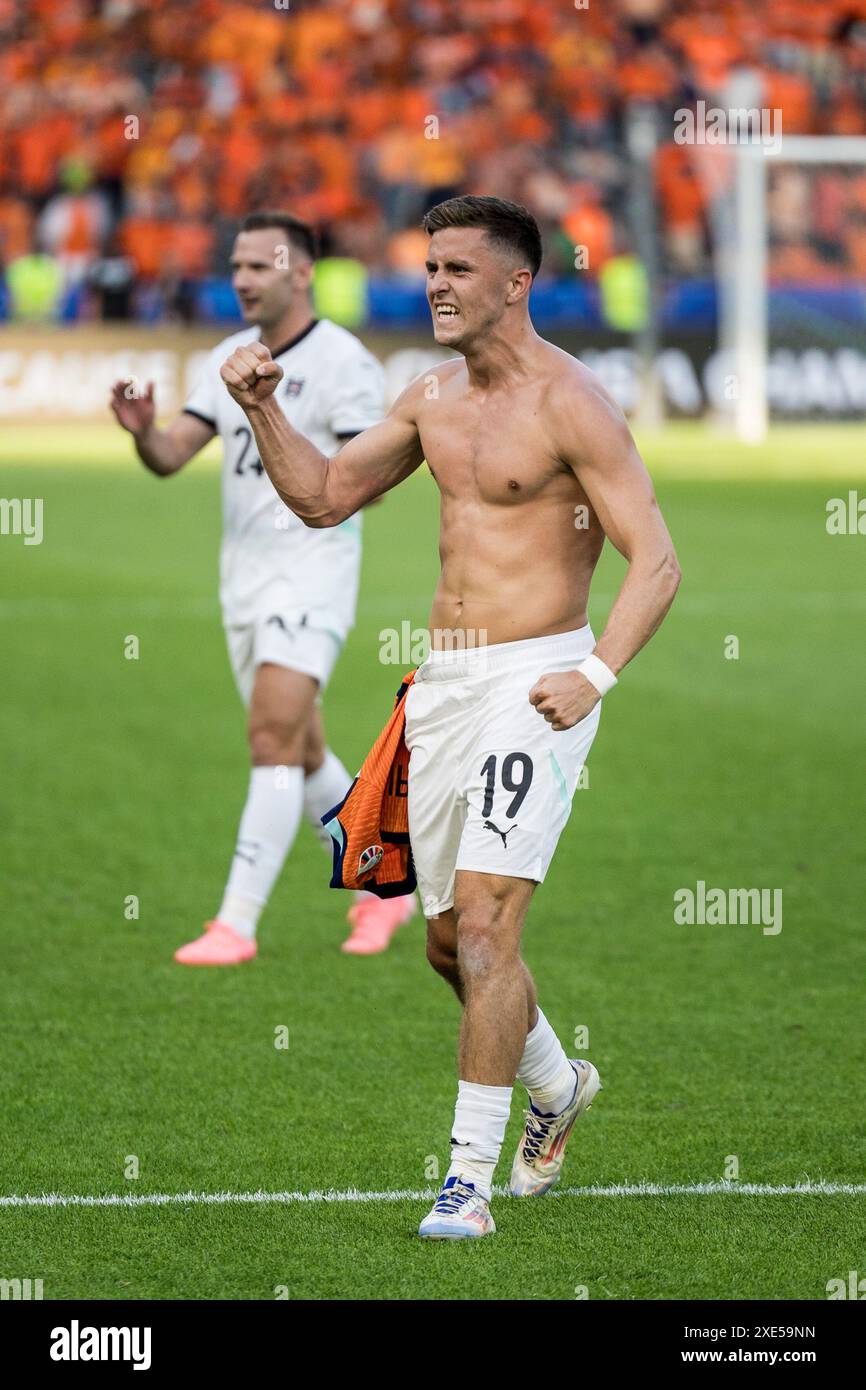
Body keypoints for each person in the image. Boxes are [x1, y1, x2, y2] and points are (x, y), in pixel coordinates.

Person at [217, 195, 680, 1236]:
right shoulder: (427, 397)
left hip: (538, 687)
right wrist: (258, 408)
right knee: (442, 944)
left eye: (458, 269)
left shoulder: (573, 404)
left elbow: (655, 561)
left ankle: (464, 1179)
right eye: (429, 266)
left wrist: (595, 676)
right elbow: (326, 496)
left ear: (516, 283)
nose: (434, 284)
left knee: (484, 925)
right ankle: (558, 1090)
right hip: (444, 687)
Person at [110, 210, 415, 964]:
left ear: (301, 271)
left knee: (271, 737)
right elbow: (171, 456)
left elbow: (366, 485)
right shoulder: (227, 356)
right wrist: (143, 430)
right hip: (242, 584)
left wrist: (277, 419)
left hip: (312, 574)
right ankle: (391, 891)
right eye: (236, 266)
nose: (242, 279)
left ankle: (235, 924)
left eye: (258, 266)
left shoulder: (344, 362)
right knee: (302, 749)